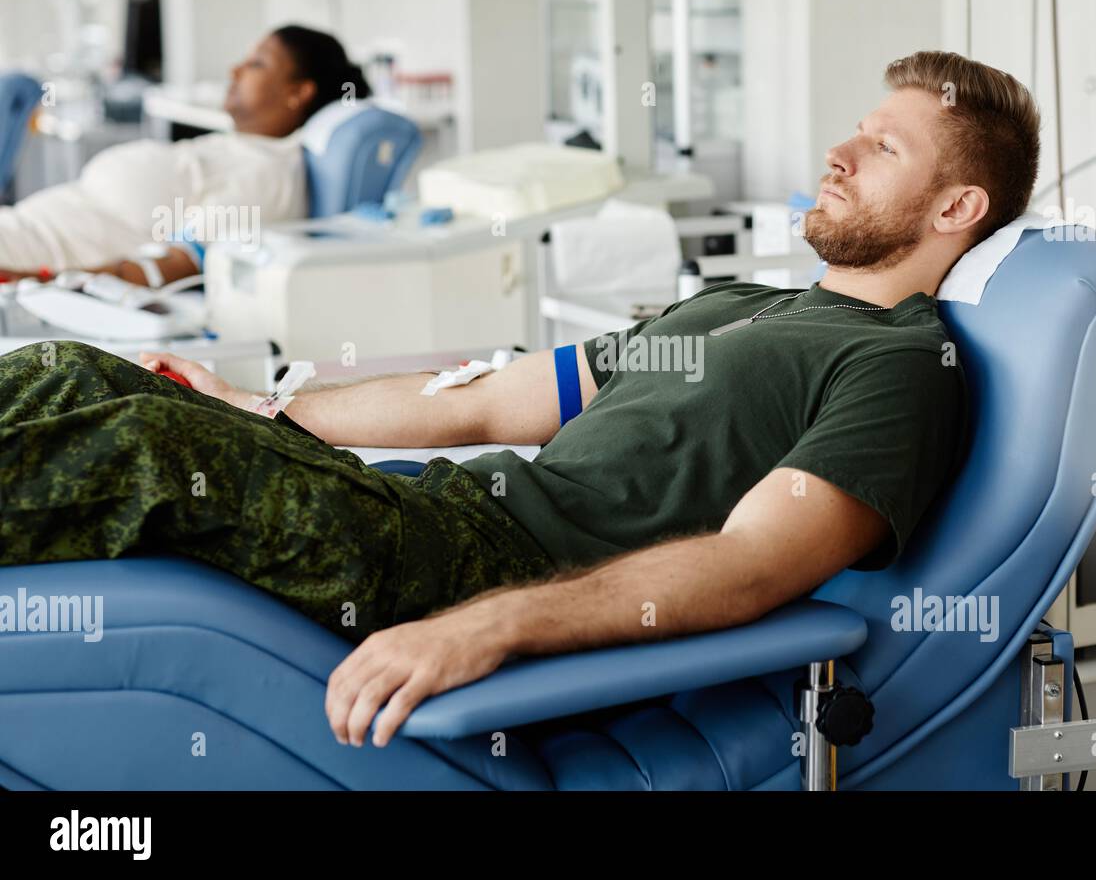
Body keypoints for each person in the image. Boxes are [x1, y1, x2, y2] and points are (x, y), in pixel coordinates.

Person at [0, 50, 1040, 749]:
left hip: (473, 562)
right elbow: (491, 401)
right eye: (855, 131)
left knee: (129, 444)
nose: (838, 154)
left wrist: (485, 625)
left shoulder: (900, 365)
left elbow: (750, 567)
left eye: (883, 149)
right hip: (425, 502)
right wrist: (259, 408)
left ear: (956, 206)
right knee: (88, 376)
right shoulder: (741, 303)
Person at [0, 25, 371, 285]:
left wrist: (30, 282)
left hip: (22, 260)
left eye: (257, 64)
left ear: (299, 92)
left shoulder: (266, 174)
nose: (235, 69)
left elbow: (171, 268)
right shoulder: (233, 147)